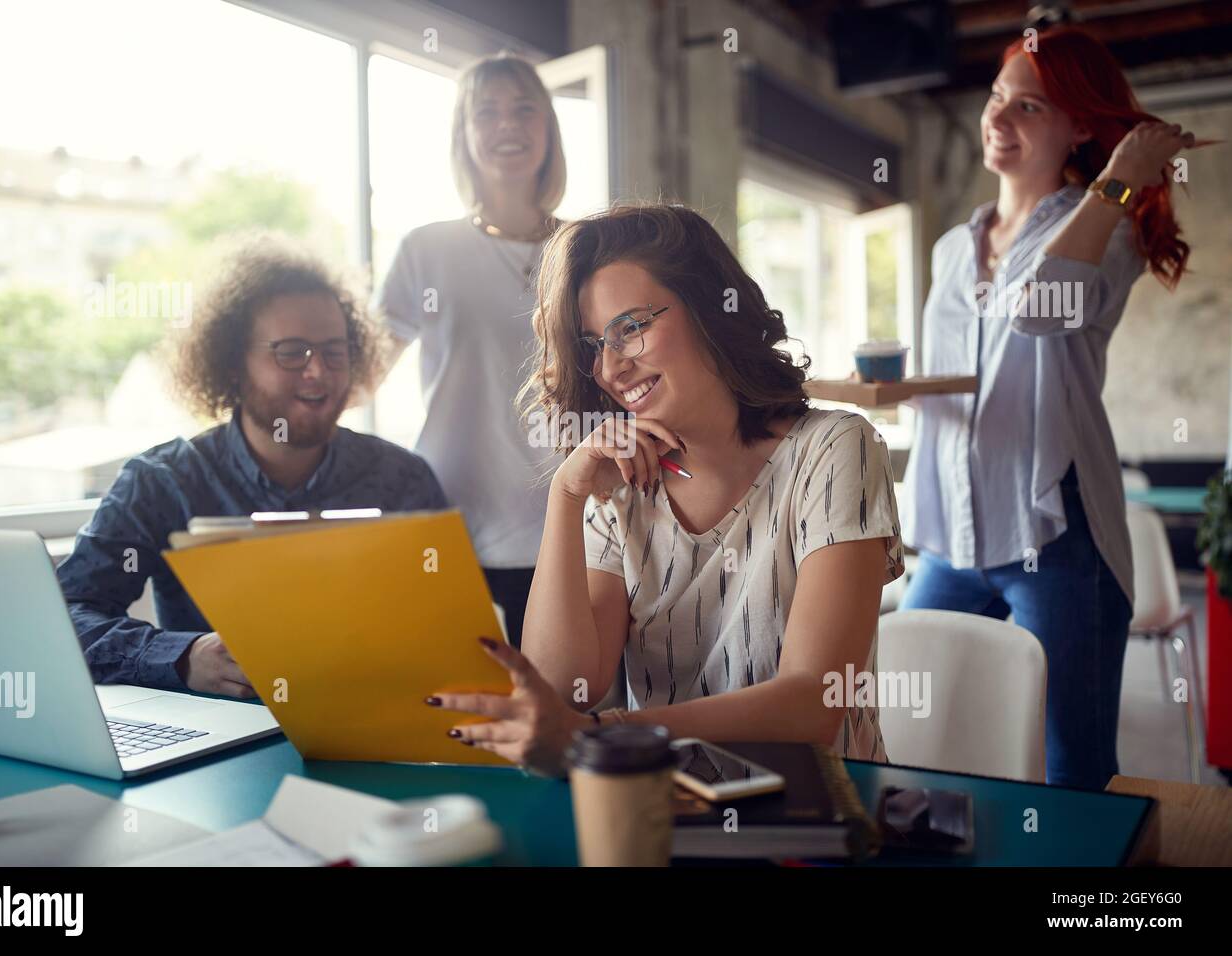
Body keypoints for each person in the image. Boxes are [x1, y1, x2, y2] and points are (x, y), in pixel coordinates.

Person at [425, 204, 905, 776]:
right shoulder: (619, 488)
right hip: (664, 813)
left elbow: (813, 706)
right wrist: (566, 496)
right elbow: (562, 691)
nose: (609, 368)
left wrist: (607, 734)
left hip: (825, 819)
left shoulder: (834, 448)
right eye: (592, 345)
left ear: (709, 309)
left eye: (631, 327)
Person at [900, 27, 1205, 789]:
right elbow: (949, 373)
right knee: (914, 732)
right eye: (997, 97)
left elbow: (1038, 310)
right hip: (952, 534)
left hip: (1056, 528)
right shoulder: (950, 248)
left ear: (1078, 126)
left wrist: (1122, 178)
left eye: (1028, 105)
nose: (998, 119)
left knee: (1075, 767)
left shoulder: (1112, 228)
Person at [58, 234, 446, 697]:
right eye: (291, 352)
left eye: (333, 351)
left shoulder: (403, 479)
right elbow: (68, 616)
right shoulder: (161, 482)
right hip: (222, 743)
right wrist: (183, 658)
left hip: (373, 729)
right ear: (233, 363)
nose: (317, 372)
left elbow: (447, 624)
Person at [372, 53, 566, 648]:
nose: (507, 124)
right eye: (487, 112)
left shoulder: (587, 247)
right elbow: (355, 380)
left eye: (523, 109)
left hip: (569, 525)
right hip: (449, 526)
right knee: (465, 727)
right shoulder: (425, 249)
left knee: (567, 723)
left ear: (548, 129)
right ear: (465, 135)